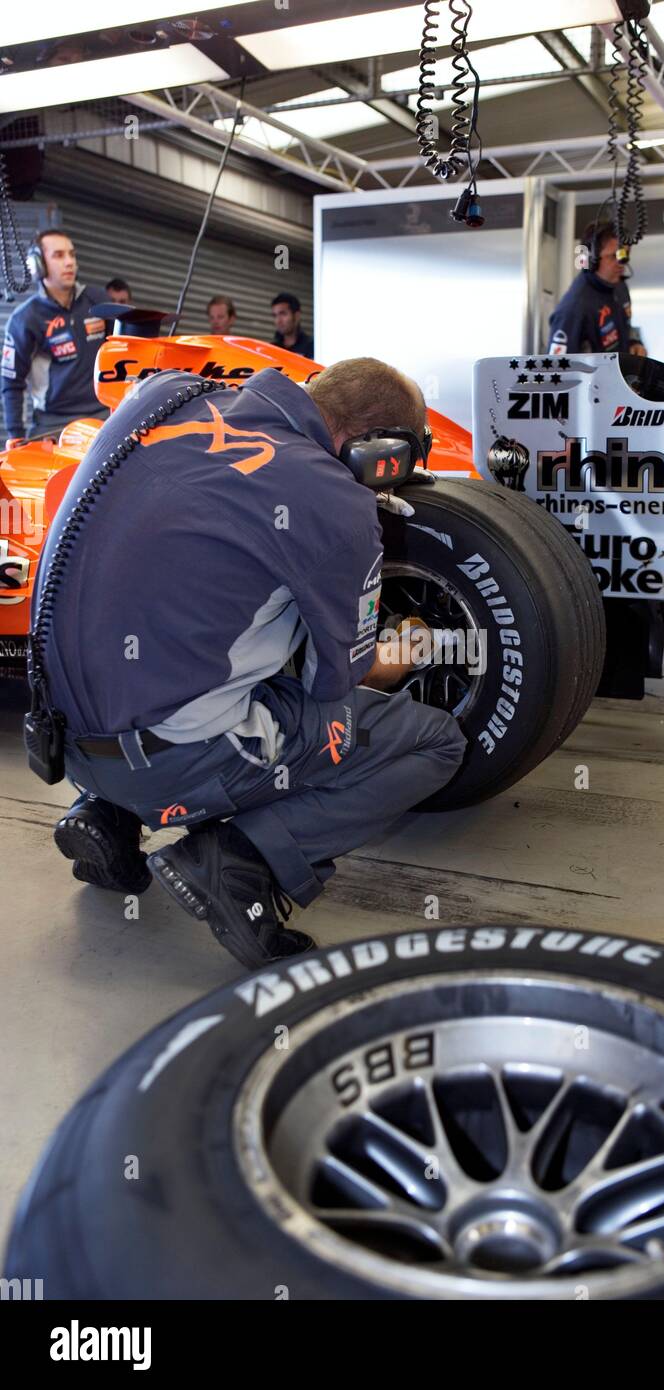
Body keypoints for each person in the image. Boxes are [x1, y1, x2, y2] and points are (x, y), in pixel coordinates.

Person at [41, 358, 466, 969]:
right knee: (436, 743)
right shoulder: (333, 501)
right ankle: (241, 859)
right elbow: (341, 678)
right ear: (382, 452)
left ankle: (105, 815)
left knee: (187, 633)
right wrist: (403, 651)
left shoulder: (162, 395)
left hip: (61, 737)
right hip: (173, 756)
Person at [1, 230, 107, 439]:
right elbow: (12, 383)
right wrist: (16, 436)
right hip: (53, 424)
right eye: (58, 255)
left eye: (72, 254)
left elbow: (126, 351)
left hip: (103, 416)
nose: (69, 262)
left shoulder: (98, 300)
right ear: (39, 265)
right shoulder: (26, 318)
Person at [548, 220, 645, 355]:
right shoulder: (573, 310)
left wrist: (633, 342)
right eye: (613, 256)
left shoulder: (619, 286)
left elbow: (625, 325)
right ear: (591, 258)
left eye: (624, 255)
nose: (621, 263)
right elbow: (557, 370)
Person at [271, 292, 315, 359]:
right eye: (275, 315)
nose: (278, 321)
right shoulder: (272, 349)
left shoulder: (313, 347)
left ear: (297, 315)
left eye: (283, 314)